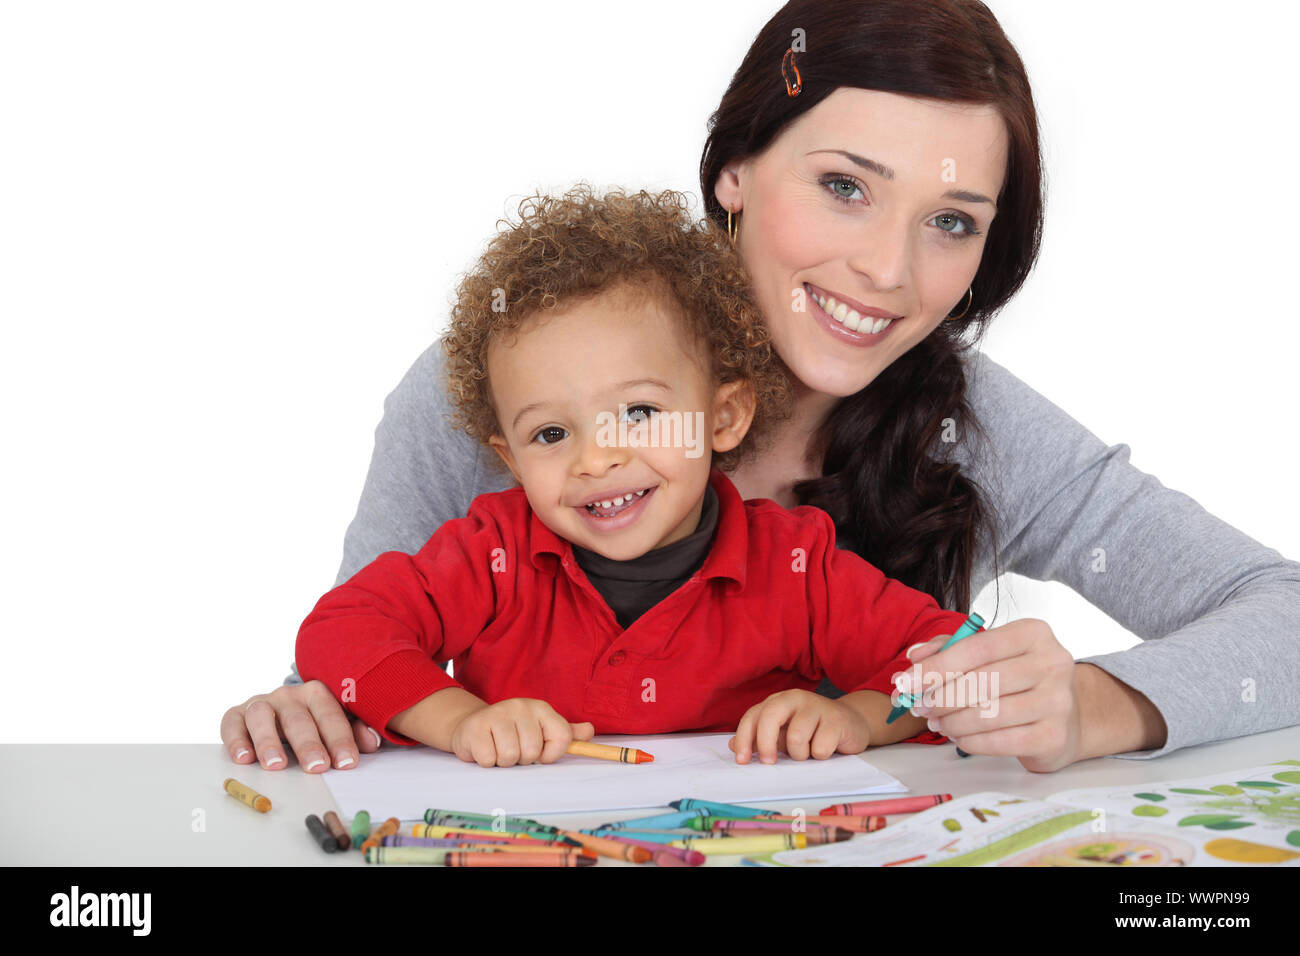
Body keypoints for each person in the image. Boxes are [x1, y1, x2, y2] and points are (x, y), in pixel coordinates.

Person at [221, 0, 1300, 775]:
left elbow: (1285, 619)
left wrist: (1090, 706)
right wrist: (313, 716)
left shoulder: (978, 426)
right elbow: (354, 657)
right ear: (734, 168)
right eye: (843, 186)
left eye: (952, 220)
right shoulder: (511, 382)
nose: (886, 269)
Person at [295, 185, 979, 767]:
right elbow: (340, 633)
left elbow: (952, 657)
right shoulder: (490, 556)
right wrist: (460, 721)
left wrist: (858, 717)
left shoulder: (795, 566)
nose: (595, 461)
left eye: (641, 412)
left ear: (725, 418)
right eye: (551, 434)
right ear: (510, 460)